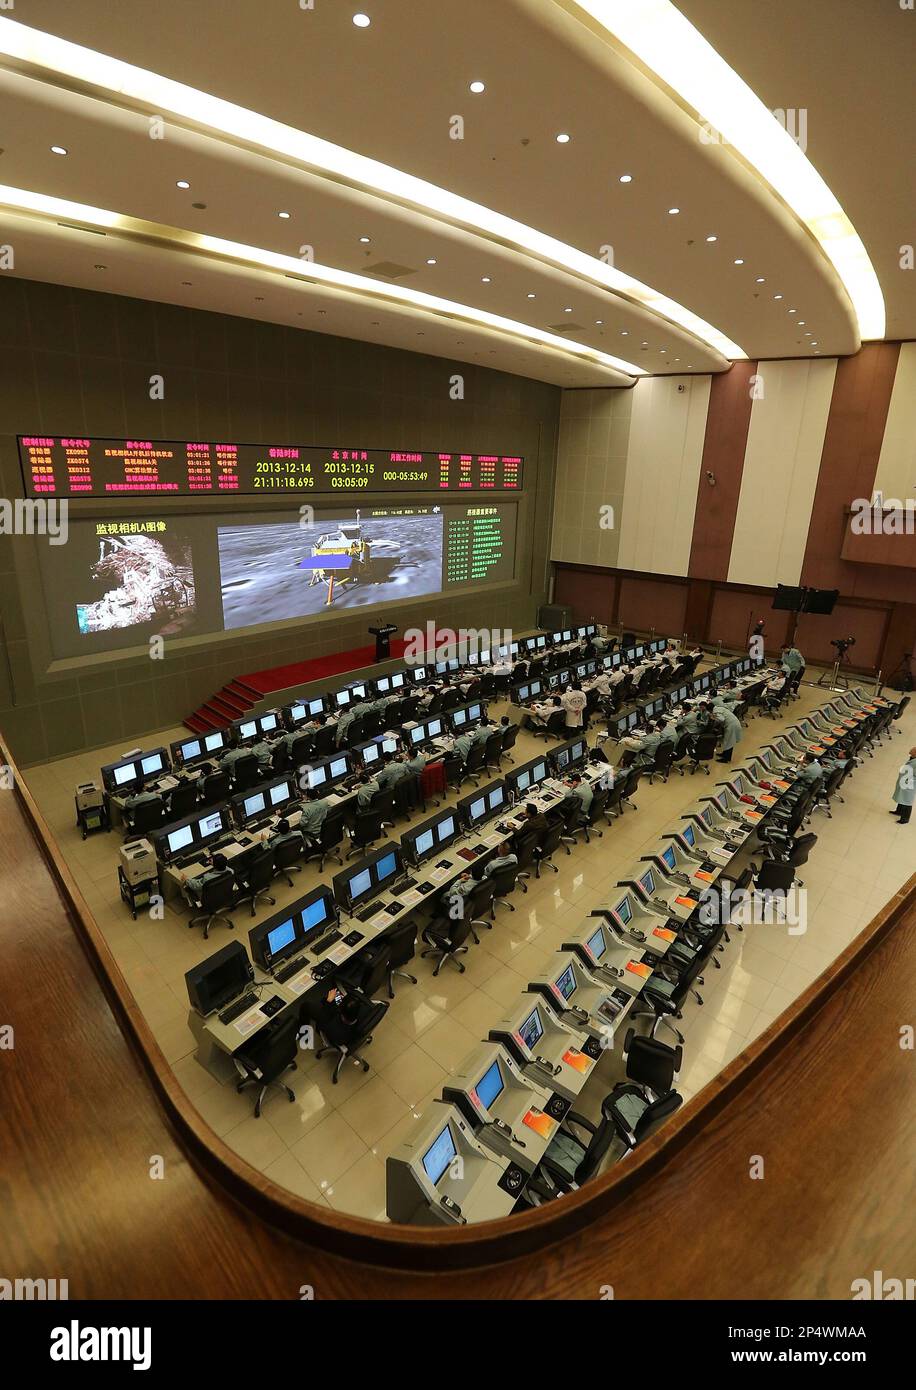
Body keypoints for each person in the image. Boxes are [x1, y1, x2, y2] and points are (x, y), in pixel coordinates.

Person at [890, 748, 916, 825]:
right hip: (905, 781)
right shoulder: (913, 758)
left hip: (910, 783)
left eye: (912, 751)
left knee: (907, 801)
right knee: (901, 797)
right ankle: (899, 811)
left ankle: (905, 818)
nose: (910, 751)